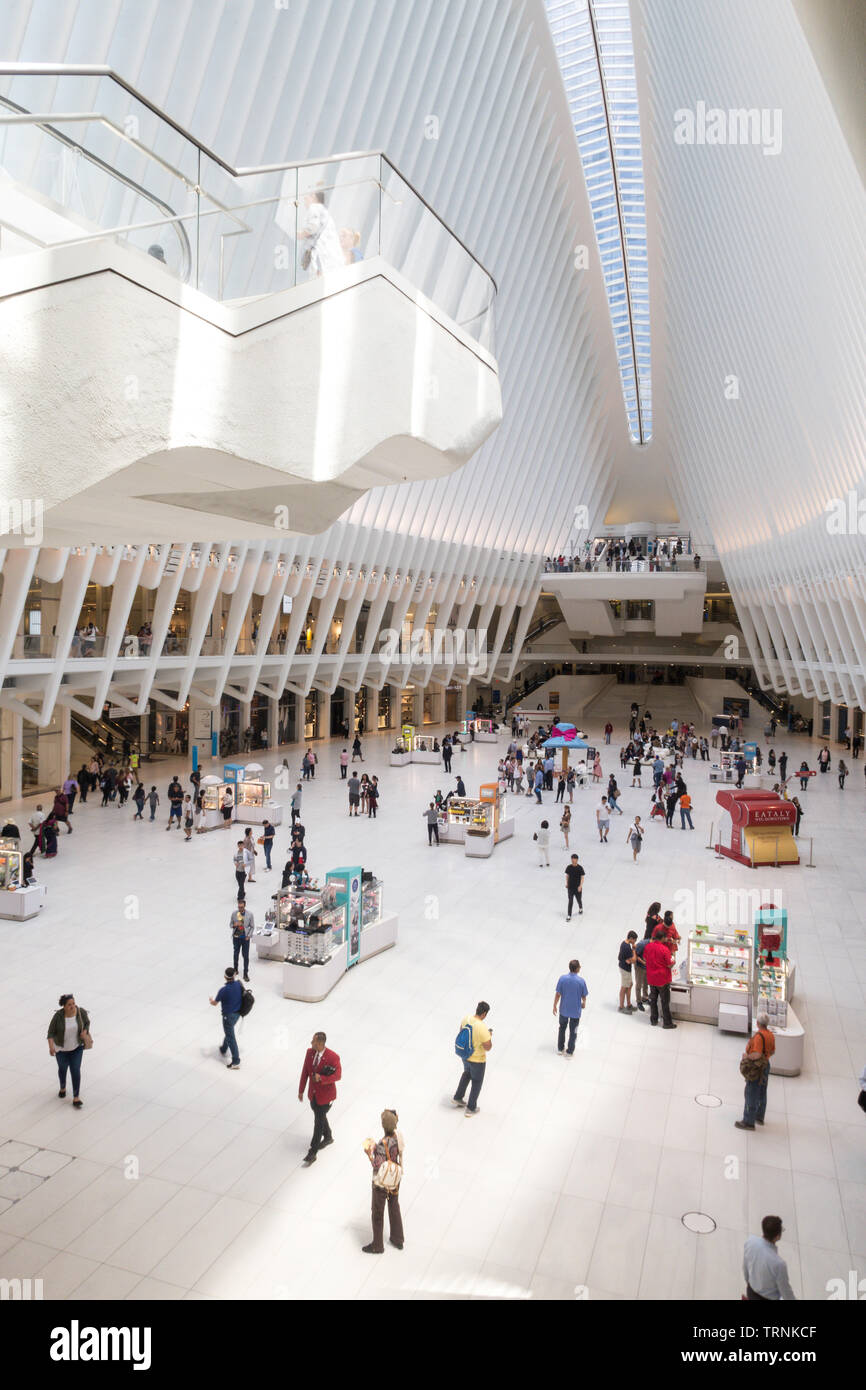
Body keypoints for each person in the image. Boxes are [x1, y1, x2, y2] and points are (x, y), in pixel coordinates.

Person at [362, 1109, 405, 1254]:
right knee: (394, 1206)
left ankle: (377, 1245)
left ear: (383, 1125)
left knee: (377, 1212)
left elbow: (377, 1165)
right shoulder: (398, 1136)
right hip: (395, 1178)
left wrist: (370, 1154)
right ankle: (397, 1238)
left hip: (381, 1182)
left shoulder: (382, 1143)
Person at [298, 1031, 342, 1165]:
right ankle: (328, 1136)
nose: (311, 1043)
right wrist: (301, 1090)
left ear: (320, 1043)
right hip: (314, 1094)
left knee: (318, 1122)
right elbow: (305, 1071)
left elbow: (338, 1076)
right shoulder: (309, 1053)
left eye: (313, 1041)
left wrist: (322, 1078)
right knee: (319, 1115)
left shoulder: (333, 1057)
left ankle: (313, 1151)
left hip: (326, 1096)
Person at [46, 993, 91, 1108]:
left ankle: (76, 1097)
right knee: (62, 1068)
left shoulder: (80, 1012)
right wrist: (51, 1047)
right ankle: (63, 1087)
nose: (72, 1006)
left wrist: (85, 1031)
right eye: (69, 1004)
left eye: (73, 1003)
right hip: (61, 1050)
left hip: (77, 1048)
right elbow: (50, 1033)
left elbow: (86, 1023)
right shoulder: (58, 1017)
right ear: (64, 1006)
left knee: (75, 1070)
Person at [735, 1011, 775, 1130]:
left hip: (756, 1068)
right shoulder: (770, 1035)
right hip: (765, 1065)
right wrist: (765, 1057)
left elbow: (757, 1054)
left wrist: (747, 1057)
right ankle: (759, 1117)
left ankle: (748, 1122)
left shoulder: (758, 1037)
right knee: (762, 1091)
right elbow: (772, 1051)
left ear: (757, 1023)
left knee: (751, 1093)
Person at [452, 1002, 492, 1115]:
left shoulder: (466, 1018)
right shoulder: (482, 1027)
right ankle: (471, 1108)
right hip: (477, 1060)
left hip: (465, 1055)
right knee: (477, 1082)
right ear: (484, 1013)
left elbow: (461, 1032)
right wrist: (489, 1036)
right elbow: (488, 1047)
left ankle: (458, 1097)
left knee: (467, 1073)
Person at [742, 1217, 796, 1300]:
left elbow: (745, 1269)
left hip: (751, 1292)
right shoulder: (779, 1264)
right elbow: (785, 1292)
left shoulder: (750, 1242)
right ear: (777, 1236)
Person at [299, 188, 344, 276]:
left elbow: (312, 227)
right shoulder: (325, 212)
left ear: (314, 198)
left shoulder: (314, 207)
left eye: (308, 195)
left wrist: (301, 234)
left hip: (323, 255)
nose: (305, 198)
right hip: (332, 256)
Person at [552, 961, 588, 1056]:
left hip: (564, 1009)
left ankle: (560, 1048)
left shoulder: (562, 979)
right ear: (577, 969)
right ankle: (570, 1051)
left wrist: (554, 1005)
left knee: (562, 1028)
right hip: (575, 1011)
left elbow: (558, 994)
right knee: (573, 1031)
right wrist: (584, 1003)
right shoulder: (581, 981)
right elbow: (584, 995)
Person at [210, 967, 242, 1068]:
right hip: (238, 1014)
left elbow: (214, 1003)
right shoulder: (239, 984)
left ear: (225, 977)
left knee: (231, 1037)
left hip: (227, 1016)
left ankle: (236, 1061)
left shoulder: (223, 990)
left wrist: (211, 1000)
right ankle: (224, 1048)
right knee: (229, 1032)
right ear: (234, 975)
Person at [644, 933, 676, 1028]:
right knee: (664, 1002)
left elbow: (645, 959)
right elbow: (670, 964)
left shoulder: (648, 946)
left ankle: (654, 1020)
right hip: (662, 979)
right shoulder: (664, 949)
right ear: (662, 938)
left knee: (653, 1000)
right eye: (665, 937)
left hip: (651, 978)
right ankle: (667, 1023)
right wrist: (673, 959)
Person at [230, 899, 254, 981]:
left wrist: (249, 936)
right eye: (239, 907)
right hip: (236, 937)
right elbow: (230, 924)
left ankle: (245, 973)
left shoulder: (250, 914)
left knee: (246, 956)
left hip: (245, 938)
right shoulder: (234, 914)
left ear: (244, 906)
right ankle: (235, 969)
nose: (240, 909)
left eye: (242, 907)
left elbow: (252, 926)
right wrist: (234, 925)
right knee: (235, 954)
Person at [618, 932, 638, 1012]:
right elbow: (634, 960)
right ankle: (621, 1007)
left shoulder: (624, 944)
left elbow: (619, 957)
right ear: (631, 938)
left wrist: (627, 960)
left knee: (629, 985)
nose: (635, 942)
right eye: (634, 940)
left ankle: (629, 1004)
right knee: (624, 987)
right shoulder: (627, 947)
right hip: (625, 969)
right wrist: (634, 950)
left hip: (625, 968)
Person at [632, 935, 650, 1011]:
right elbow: (635, 954)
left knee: (646, 982)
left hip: (646, 967)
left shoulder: (653, 945)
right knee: (639, 984)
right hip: (639, 966)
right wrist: (643, 962)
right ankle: (639, 1001)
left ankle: (645, 997)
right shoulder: (642, 945)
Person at [565, 853, 584, 918]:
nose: (573, 860)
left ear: (577, 860)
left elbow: (582, 877)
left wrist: (580, 886)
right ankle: (569, 915)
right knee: (570, 901)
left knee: (579, 900)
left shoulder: (580, 868)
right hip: (570, 888)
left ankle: (580, 908)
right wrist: (567, 883)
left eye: (574, 859)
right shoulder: (569, 867)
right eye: (572, 859)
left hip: (577, 888)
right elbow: (567, 876)